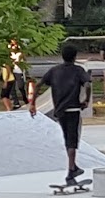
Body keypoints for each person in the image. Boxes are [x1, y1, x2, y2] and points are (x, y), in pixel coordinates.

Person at [32, 43, 93, 186]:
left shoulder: (54, 70)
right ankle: (71, 170)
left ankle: (74, 167)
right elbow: (88, 84)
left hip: (59, 111)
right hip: (73, 109)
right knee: (73, 139)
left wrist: (33, 104)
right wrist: (86, 100)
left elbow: (38, 85)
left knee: (67, 138)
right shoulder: (78, 70)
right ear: (75, 57)